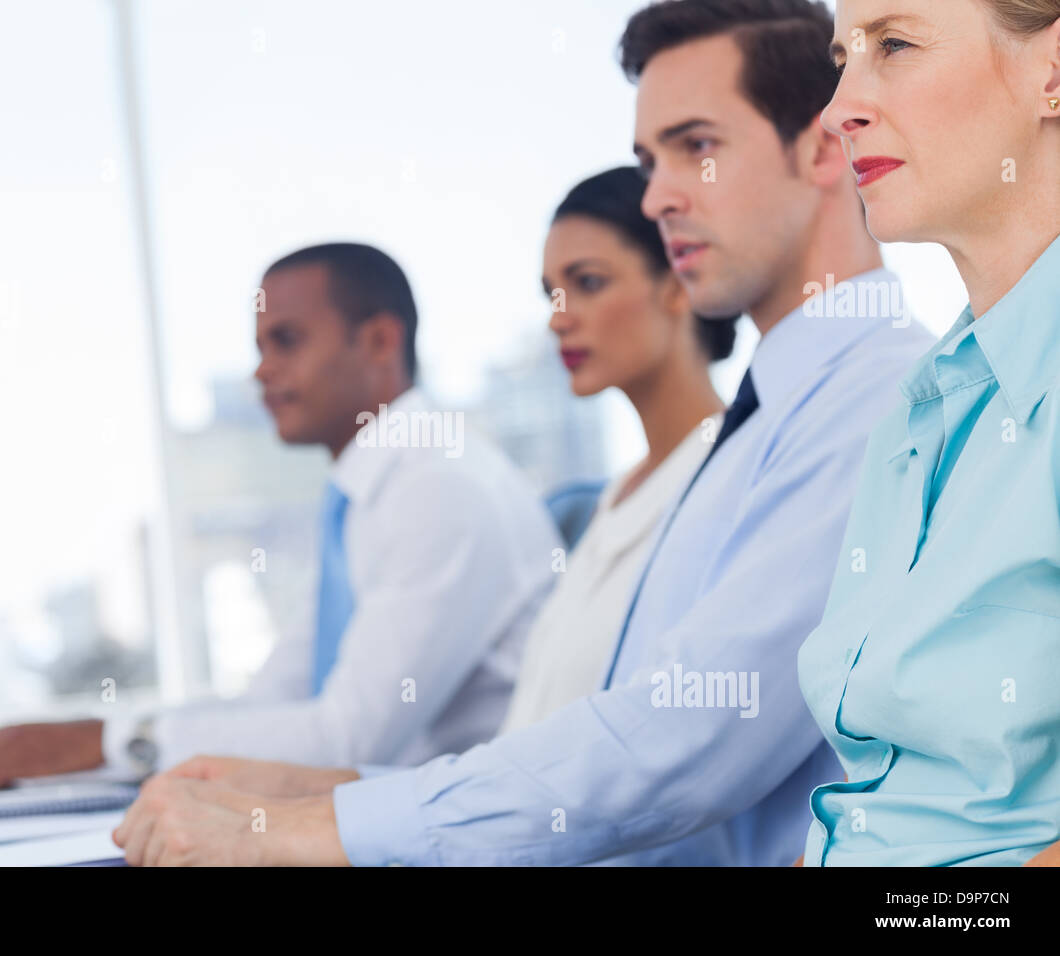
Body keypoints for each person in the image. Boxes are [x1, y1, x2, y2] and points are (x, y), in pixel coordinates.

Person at [110, 0, 937, 867]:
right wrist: (321, 790)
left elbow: (676, 750)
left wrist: (315, 827)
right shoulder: (761, 424)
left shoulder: (873, 405)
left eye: (698, 146)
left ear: (823, 147)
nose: (657, 196)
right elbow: (581, 739)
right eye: (649, 161)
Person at [0, 242, 561, 789]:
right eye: (259, 346)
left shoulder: (437, 487)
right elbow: (274, 701)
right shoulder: (365, 495)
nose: (261, 371)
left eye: (287, 340)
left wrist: (110, 743)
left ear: (380, 341)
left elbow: (346, 740)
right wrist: (111, 735)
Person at [796, 0, 1060, 866]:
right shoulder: (923, 411)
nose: (839, 107)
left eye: (895, 45)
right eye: (843, 57)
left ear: (1052, 74)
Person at [504, 165, 737, 732]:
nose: (558, 319)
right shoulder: (610, 500)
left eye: (587, 283)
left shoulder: (735, 477)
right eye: (551, 294)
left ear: (679, 281)